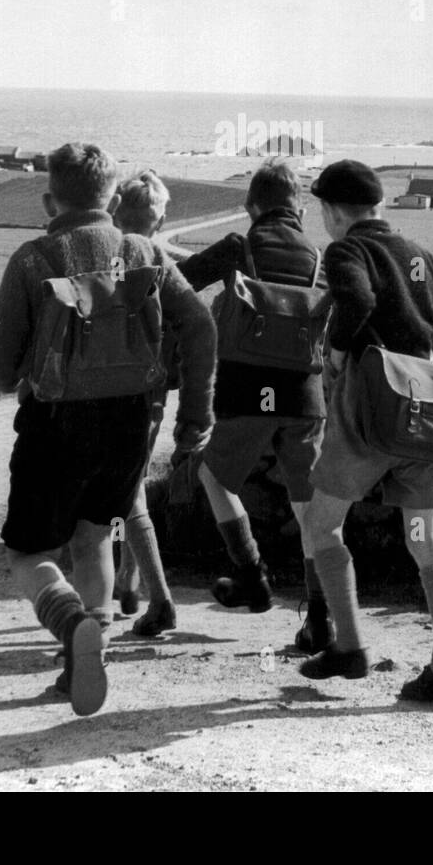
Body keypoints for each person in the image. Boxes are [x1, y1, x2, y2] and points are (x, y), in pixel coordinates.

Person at [0, 143, 216, 715]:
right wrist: (195, 418)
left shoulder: (33, 259)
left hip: (56, 424)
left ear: (48, 198)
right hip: (130, 425)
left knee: (28, 552)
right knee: (94, 540)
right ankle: (86, 661)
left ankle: (69, 630)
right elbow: (202, 324)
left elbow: (1, 365)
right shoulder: (145, 251)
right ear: (113, 199)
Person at [299, 160, 433, 702]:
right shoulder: (418, 253)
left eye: (321, 211)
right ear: (379, 206)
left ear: (332, 212)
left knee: (322, 525)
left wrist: (334, 350)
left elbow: (357, 301)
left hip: (367, 408)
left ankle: (349, 646)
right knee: (423, 536)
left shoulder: (348, 250)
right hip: (425, 410)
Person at [176, 160, 333, 653]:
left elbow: (176, 287)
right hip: (306, 397)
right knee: (310, 509)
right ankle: (320, 620)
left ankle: (251, 574)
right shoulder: (321, 258)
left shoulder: (237, 248)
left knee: (215, 478)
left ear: (252, 207)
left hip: (247, 390)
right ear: (299, 209)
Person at [110, 170, 177, 637]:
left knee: (129, 493)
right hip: (154, 389)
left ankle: (161, 599)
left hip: (113, 389)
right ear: (159, 218)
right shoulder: (162, 259)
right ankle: (129, 584)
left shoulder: (108, 255)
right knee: (133, 482)